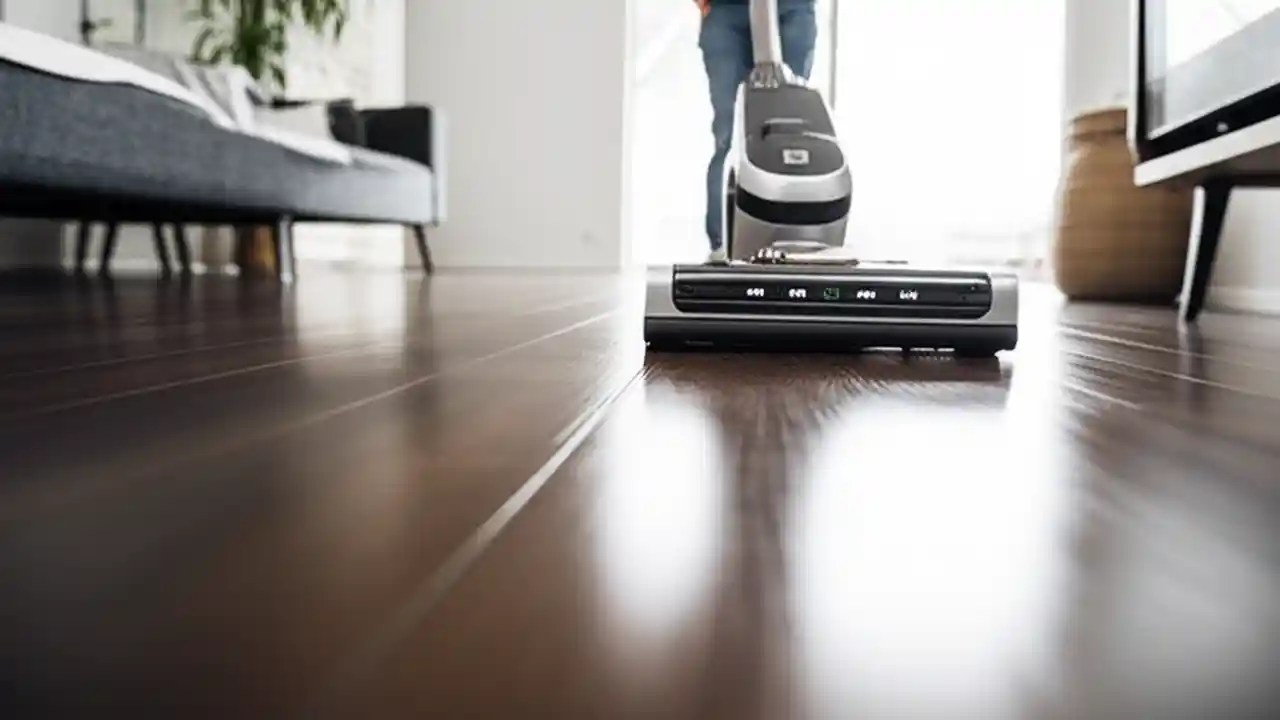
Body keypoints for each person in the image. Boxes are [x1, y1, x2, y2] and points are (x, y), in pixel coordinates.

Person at [696, 0, 818, 261]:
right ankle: (723, 247)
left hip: (791, 8)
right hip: (726, 10)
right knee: (728, 135)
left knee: (786, 132)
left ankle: (786, 243)